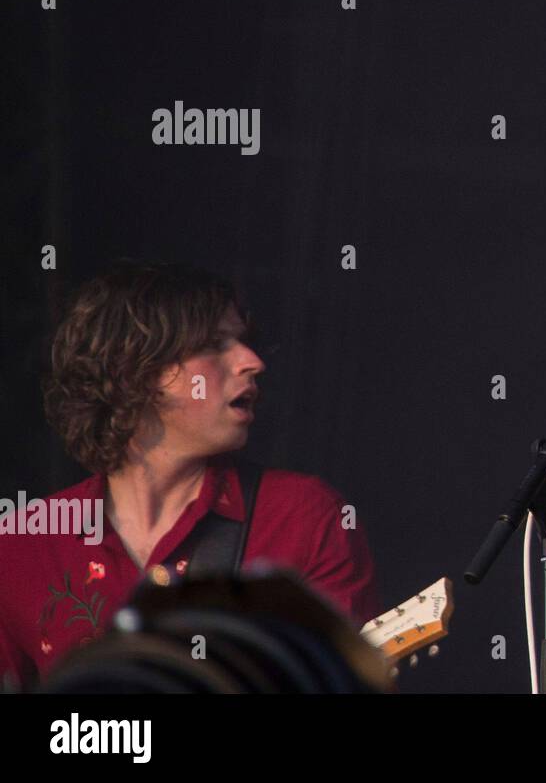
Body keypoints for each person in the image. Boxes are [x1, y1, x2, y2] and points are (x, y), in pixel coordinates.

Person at [0, 261, 380, 690]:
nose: (253, 362)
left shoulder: (305, 519)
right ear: (136, 370)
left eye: (245, 342)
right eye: (216, 345)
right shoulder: (21, 544)